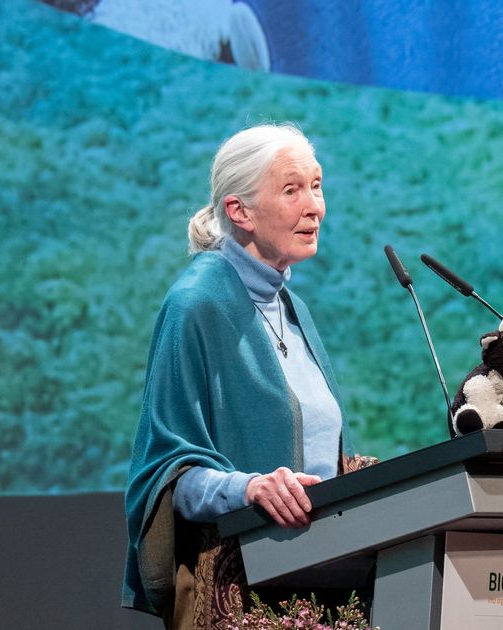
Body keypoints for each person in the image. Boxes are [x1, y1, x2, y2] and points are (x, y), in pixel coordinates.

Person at [121, 123, 371, 628]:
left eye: (317, 186)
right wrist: (250, 489)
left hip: (325, 585)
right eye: (292, 189)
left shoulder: (292, 306)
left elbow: (317, 455)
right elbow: (167, 474)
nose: (314, 206)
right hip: (237, 593)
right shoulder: (195, 304)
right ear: (239, 211)